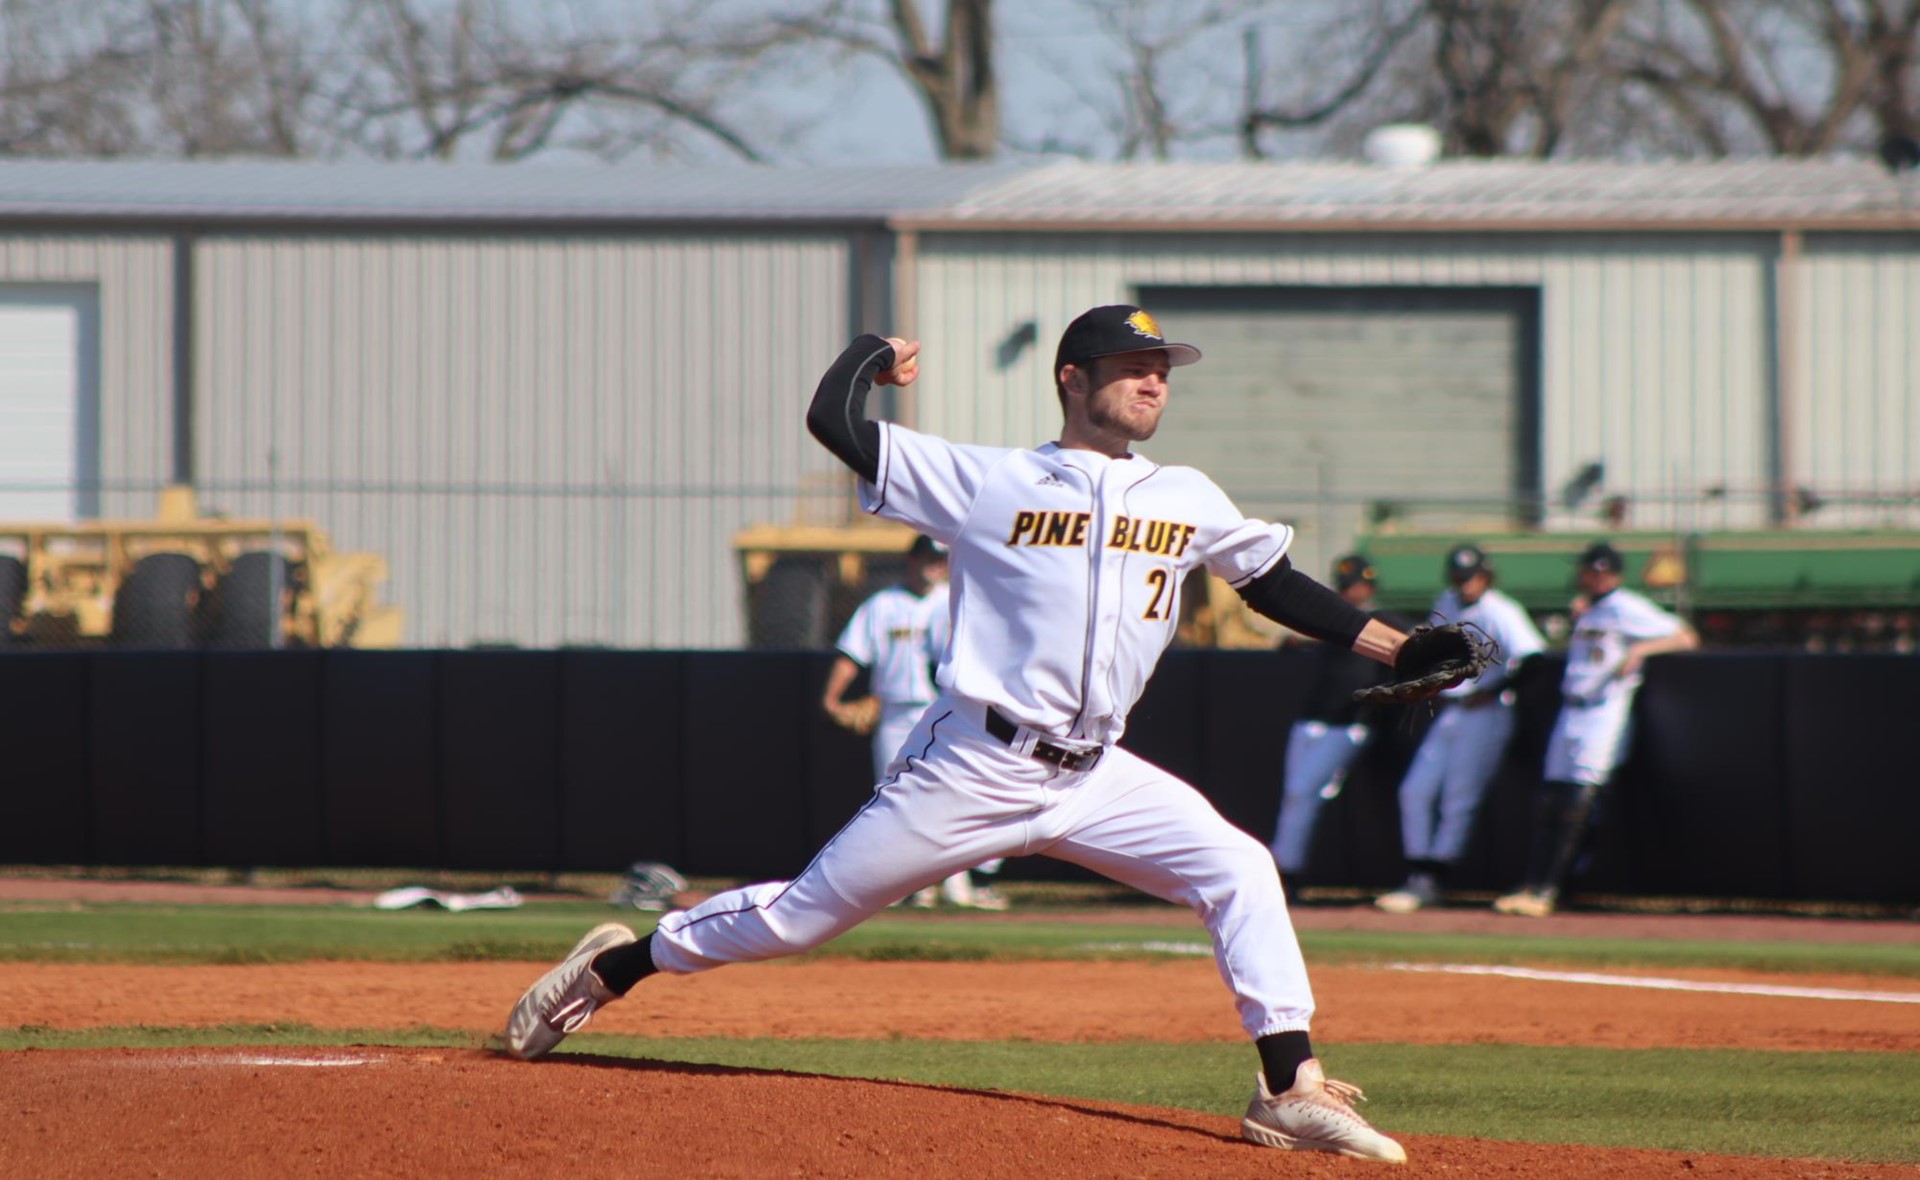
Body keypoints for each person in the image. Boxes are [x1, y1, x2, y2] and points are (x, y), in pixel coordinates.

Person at [507, 304, 1438, 1163]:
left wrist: (1395, 648)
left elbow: (1270, 582)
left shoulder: (1186, 493)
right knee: (798, 919)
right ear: (1072, 379)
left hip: (1094, 774)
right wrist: (873, 355)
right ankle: (616, 964)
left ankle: (1288, 1088)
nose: (1154, 380)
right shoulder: (990, 479)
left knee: (1237, 868)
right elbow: (837, 424)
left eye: (1163, 367)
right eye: (1132, 364)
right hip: (974, 764)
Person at [1494, 542, 1698, 918]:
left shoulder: (1626, 606)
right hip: (1573, 709)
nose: (1580, 575)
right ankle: (1534, 883)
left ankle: (1550, 889)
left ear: (1603, 573)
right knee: (1551, 800)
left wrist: (1640, 652)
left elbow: (1684, 636)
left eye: (1587, 570)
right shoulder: (1592, 609)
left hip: (1603, 712)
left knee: (1578, 803)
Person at [821, 534, 1007, 910]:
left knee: (953, 794)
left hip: (944, 711)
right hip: (894, 713)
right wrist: (832, 699)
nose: (934, 565)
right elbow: (852, 654)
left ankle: (958, 884)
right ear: (911, 560)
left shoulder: (955, 602)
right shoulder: (883, 605)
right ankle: (911, 885)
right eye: (927, 558)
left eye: (940, 559)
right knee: (894, 799)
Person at [1375, 543, 1546, 914]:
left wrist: (1494, 690)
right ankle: (1418, 875)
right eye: (1458, 577)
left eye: (1471, 577)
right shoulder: (1447, 601)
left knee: (1458, 797)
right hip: (1451, 710)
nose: (1464, 584)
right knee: (1415, 790)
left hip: (1487, 712)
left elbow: (1533, 658)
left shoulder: (1502, 610)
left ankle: (1433, 878)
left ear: (1485, 576)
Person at [1267, 554, 1413, 900]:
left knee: (1302, 792)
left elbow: (1413, 637)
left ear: (1370, 586)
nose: (1350, 592)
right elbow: (1297, 638)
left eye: (1357, 585)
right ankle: (1285, 873)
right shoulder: (1333, 620)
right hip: (1312, 720)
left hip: (1350, 725)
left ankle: (1283, 872)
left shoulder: (1382, 620)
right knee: (1295, 797)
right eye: (1345, 585)